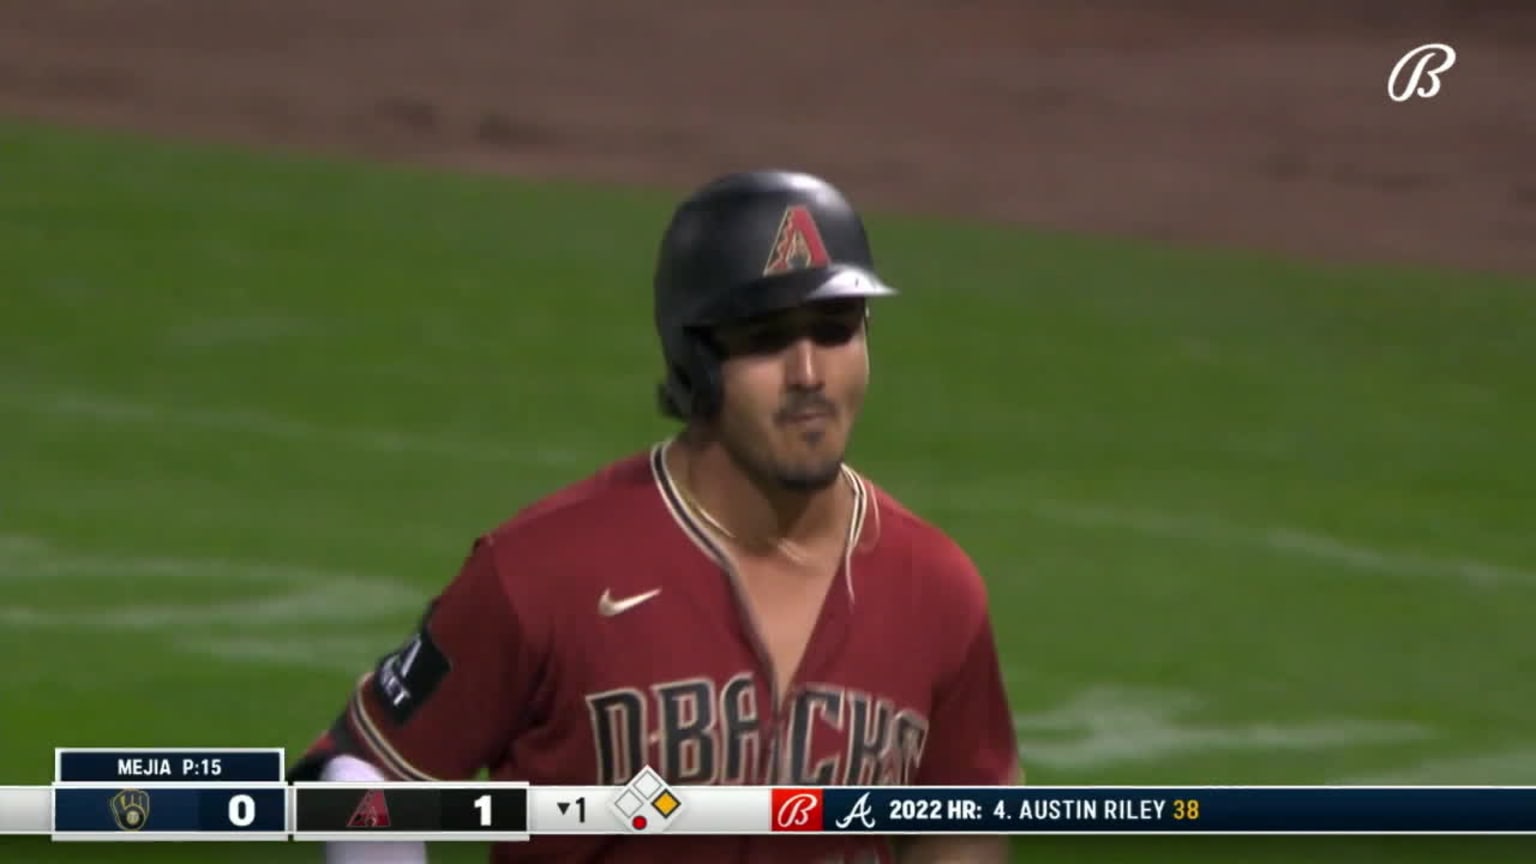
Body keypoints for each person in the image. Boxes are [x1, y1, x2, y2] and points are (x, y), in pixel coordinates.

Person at [289, 170, 1020, 863]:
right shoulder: (544, 573)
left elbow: (965, 819)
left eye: (835, 328)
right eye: (765, 337)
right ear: (693, 361)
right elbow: (363, 771)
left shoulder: (935, 589)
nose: (809, 374)